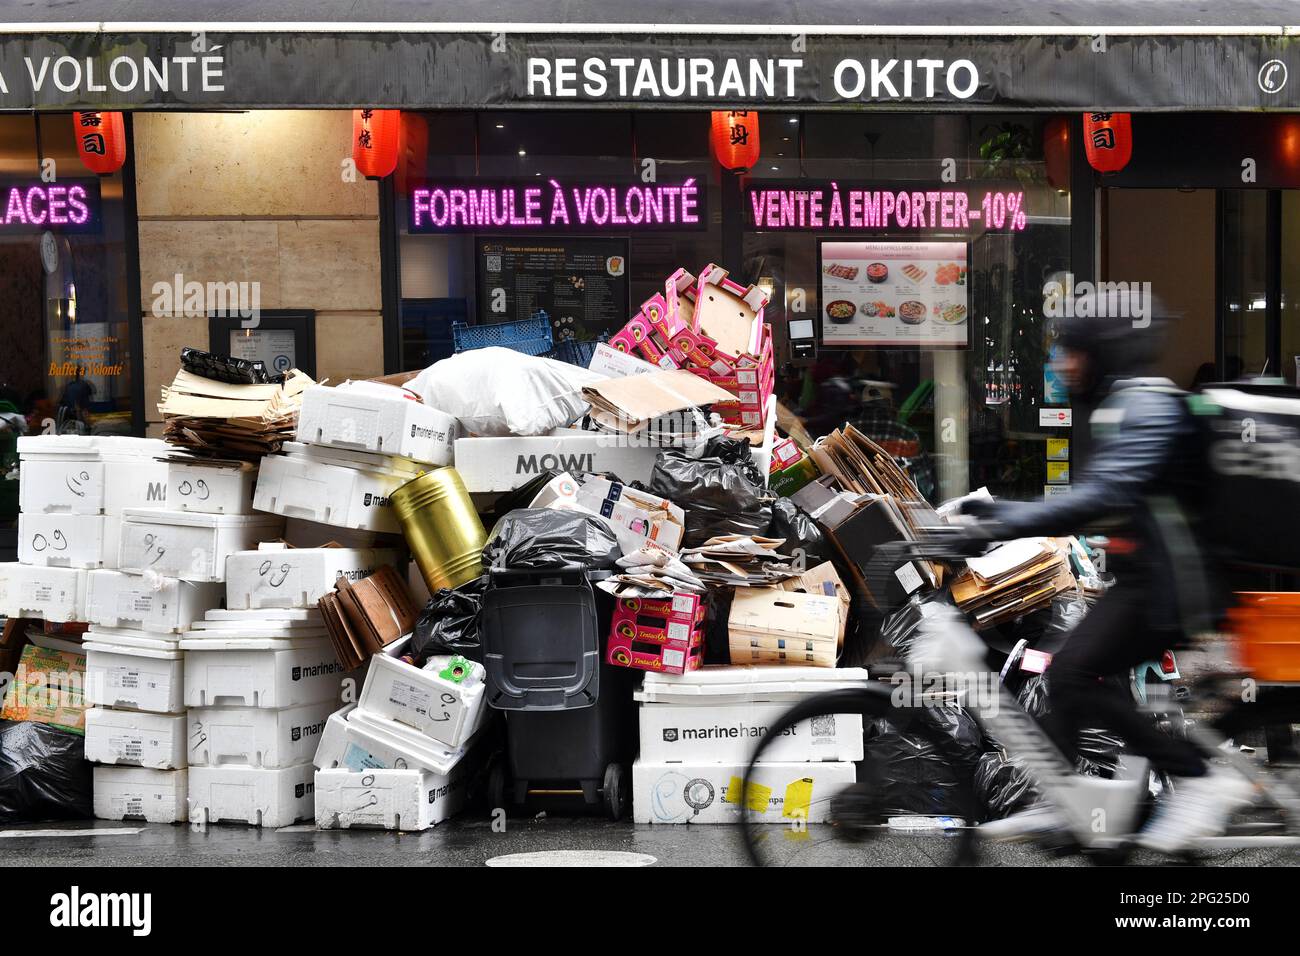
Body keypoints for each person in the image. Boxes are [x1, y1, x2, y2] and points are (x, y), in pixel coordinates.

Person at [960, 294, 1254, 853]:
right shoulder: (1123, 403)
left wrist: (1006, 521)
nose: (1061, 365)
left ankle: (1196, 778)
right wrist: (996, 513)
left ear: (1098, 353)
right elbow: (1107, 499)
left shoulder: (1142, 404)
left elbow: (1105, 494)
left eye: (1070, 351)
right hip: (1152, 580)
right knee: (1074, 669)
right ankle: (1072, 807)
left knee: (1070, 673)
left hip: (1173, 587)